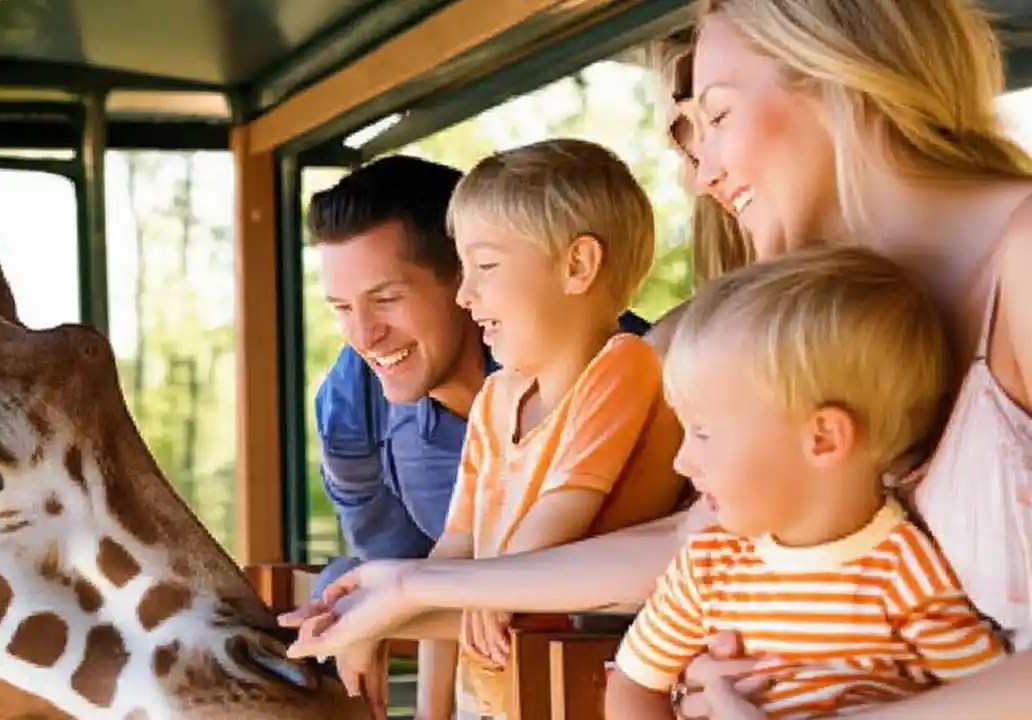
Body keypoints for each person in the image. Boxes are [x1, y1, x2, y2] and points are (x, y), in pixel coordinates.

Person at [286, 1, 1032, 716]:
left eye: (717, 115)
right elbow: (690, 543)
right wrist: (410, 589)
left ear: (841, 74)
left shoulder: (1021, 259)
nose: (702, 175)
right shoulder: (818, 319)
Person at [308, 154, 650, 711]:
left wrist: (480, 587)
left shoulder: (622, 367)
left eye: (387, 298)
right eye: (341, 307)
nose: (362, 336)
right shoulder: (358, 410)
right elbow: (431, 570)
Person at [607, 246, 1007, 718]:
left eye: (703, 432)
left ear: (822, 438)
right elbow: (633, 686)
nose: (682, 462)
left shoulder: (902, 568)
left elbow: (988, 697)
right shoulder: (705, 567)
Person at [414, 138, 685, 719]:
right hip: (483, 698)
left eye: (485, 266)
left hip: (565, 691)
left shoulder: (624, 367)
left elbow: (562, 513)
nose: (464, 295)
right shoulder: (494, 398)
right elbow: (451, 554)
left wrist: (491, 587)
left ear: (578, 266)